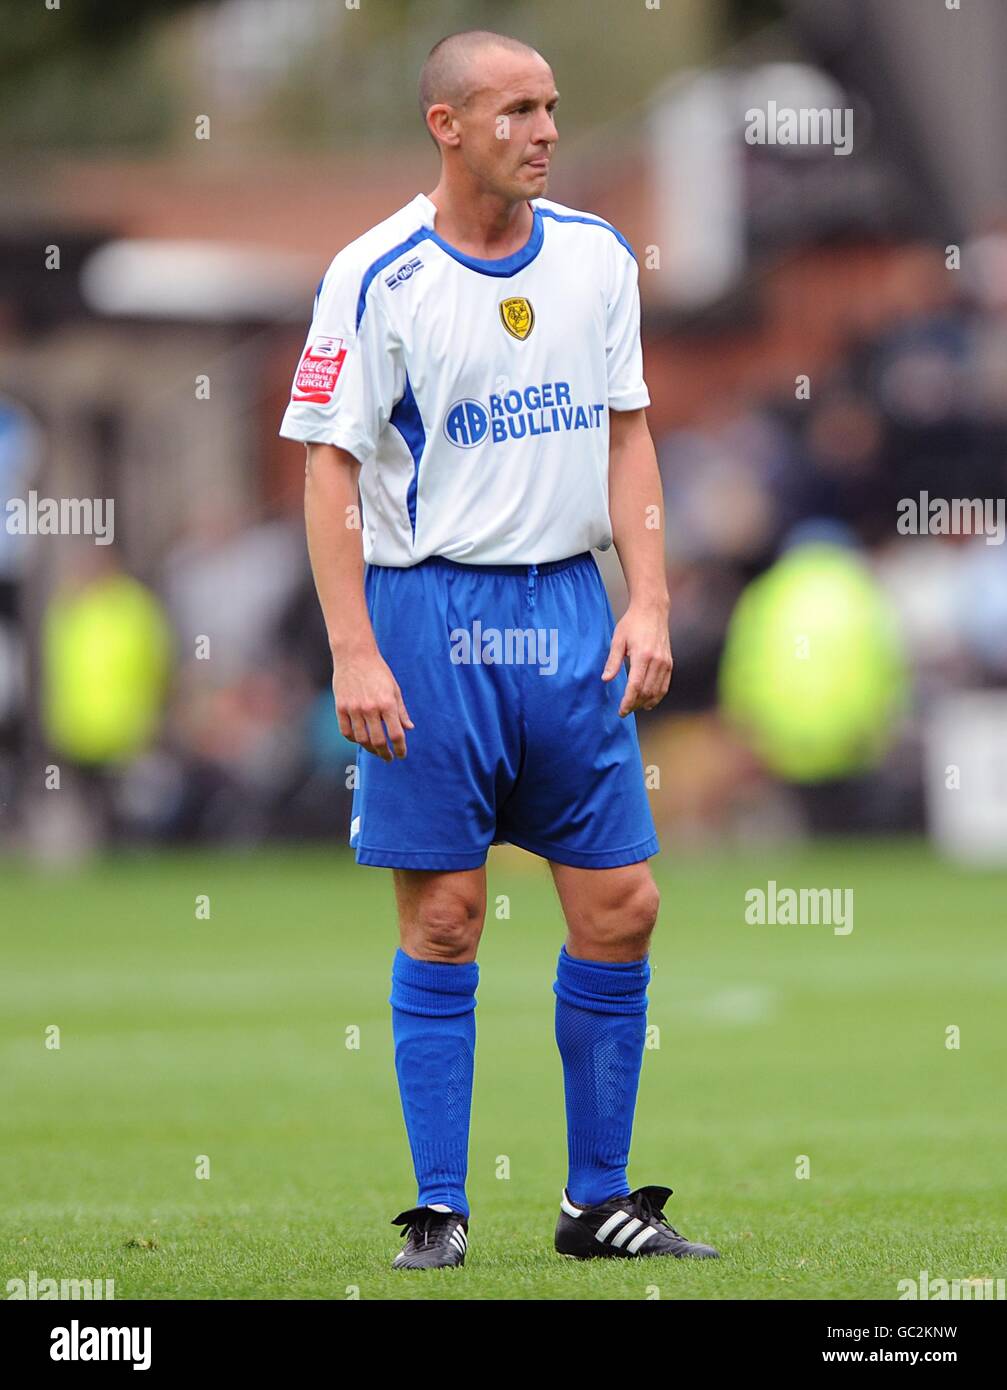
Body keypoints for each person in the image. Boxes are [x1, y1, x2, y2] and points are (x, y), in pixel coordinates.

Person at [279, 28, 719, 1269]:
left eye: (551, 108)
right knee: (446, 917)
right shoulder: (374, 274)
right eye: (516, 109)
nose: (543, 130)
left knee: (623, 902)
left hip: (570, 617)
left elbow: (629, 437)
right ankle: (438, 1206)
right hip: (429, 622)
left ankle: (596, 1202)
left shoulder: (592, 259)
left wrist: (649, 602)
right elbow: (329, 475)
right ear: (447, 124)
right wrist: (352, 647)